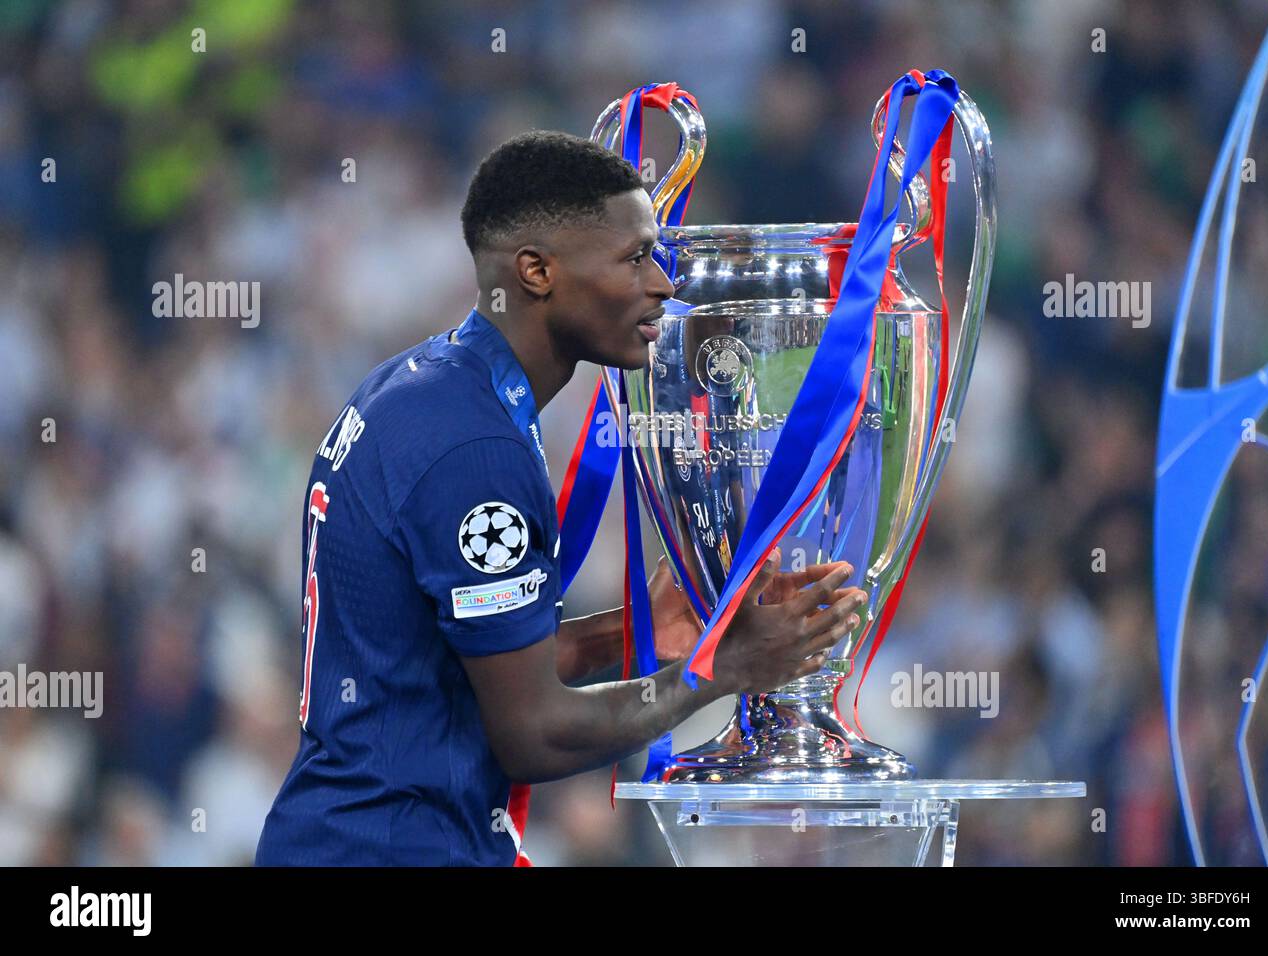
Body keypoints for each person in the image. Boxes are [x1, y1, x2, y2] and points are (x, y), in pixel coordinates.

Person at [254, 130, 869, 866]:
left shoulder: (420, 385)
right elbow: (533, 731)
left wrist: (639, 630)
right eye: (635, 257)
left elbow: (478, 663)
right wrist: (726, 670)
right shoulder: (473, 451)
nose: (663, 283)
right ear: (538, 271)